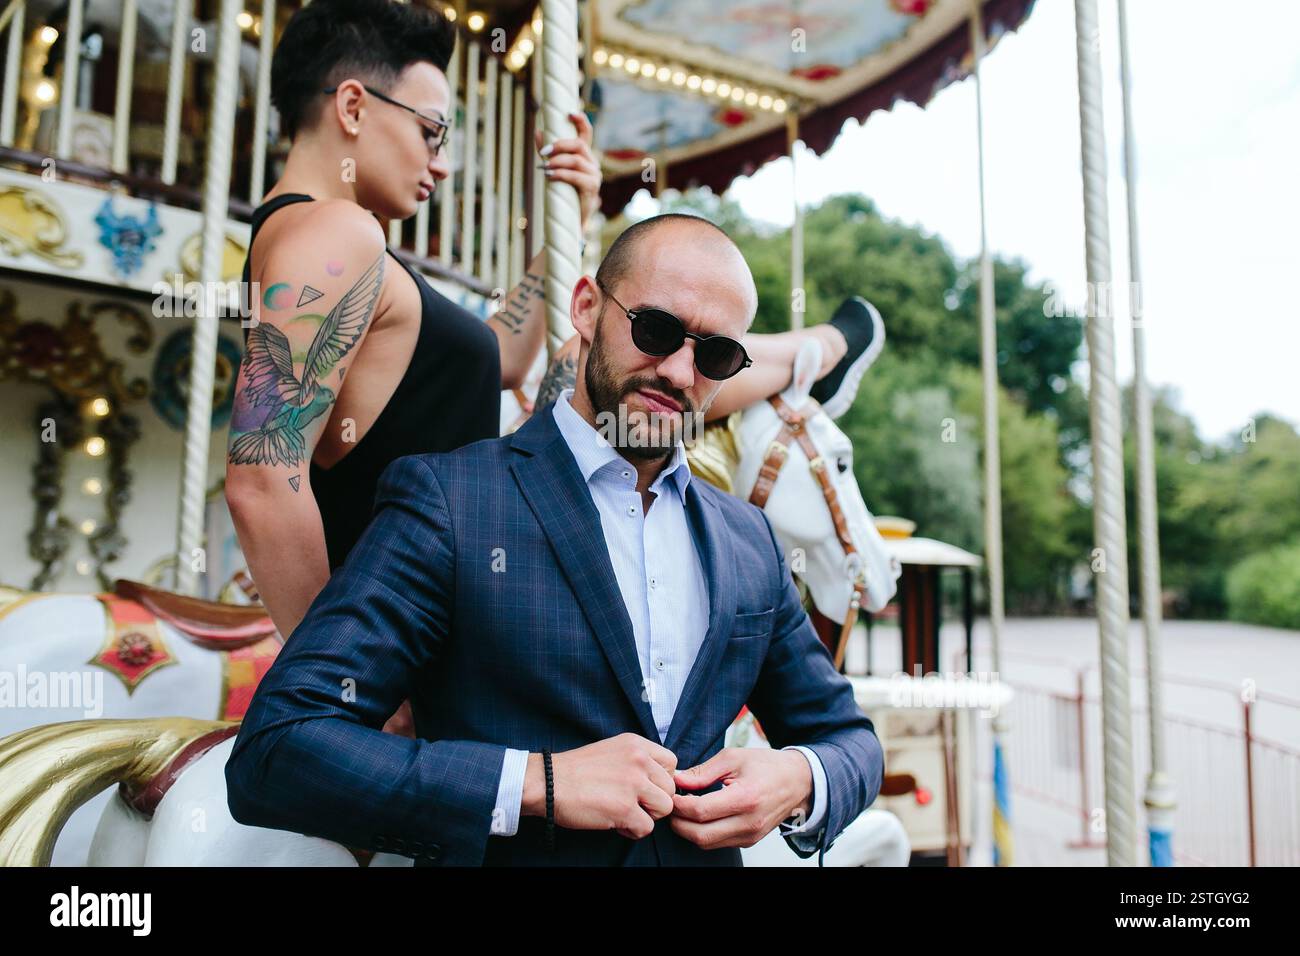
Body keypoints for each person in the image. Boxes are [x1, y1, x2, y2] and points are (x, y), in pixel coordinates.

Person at [225, 214, 884, 866]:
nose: (681, 373)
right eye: (656, 331)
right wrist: (535, 784)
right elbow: (280, 747)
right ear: (587, 308)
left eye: (714, 354)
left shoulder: (748, 539)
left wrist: (799, 779)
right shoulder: (451, 501)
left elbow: (848, 739)